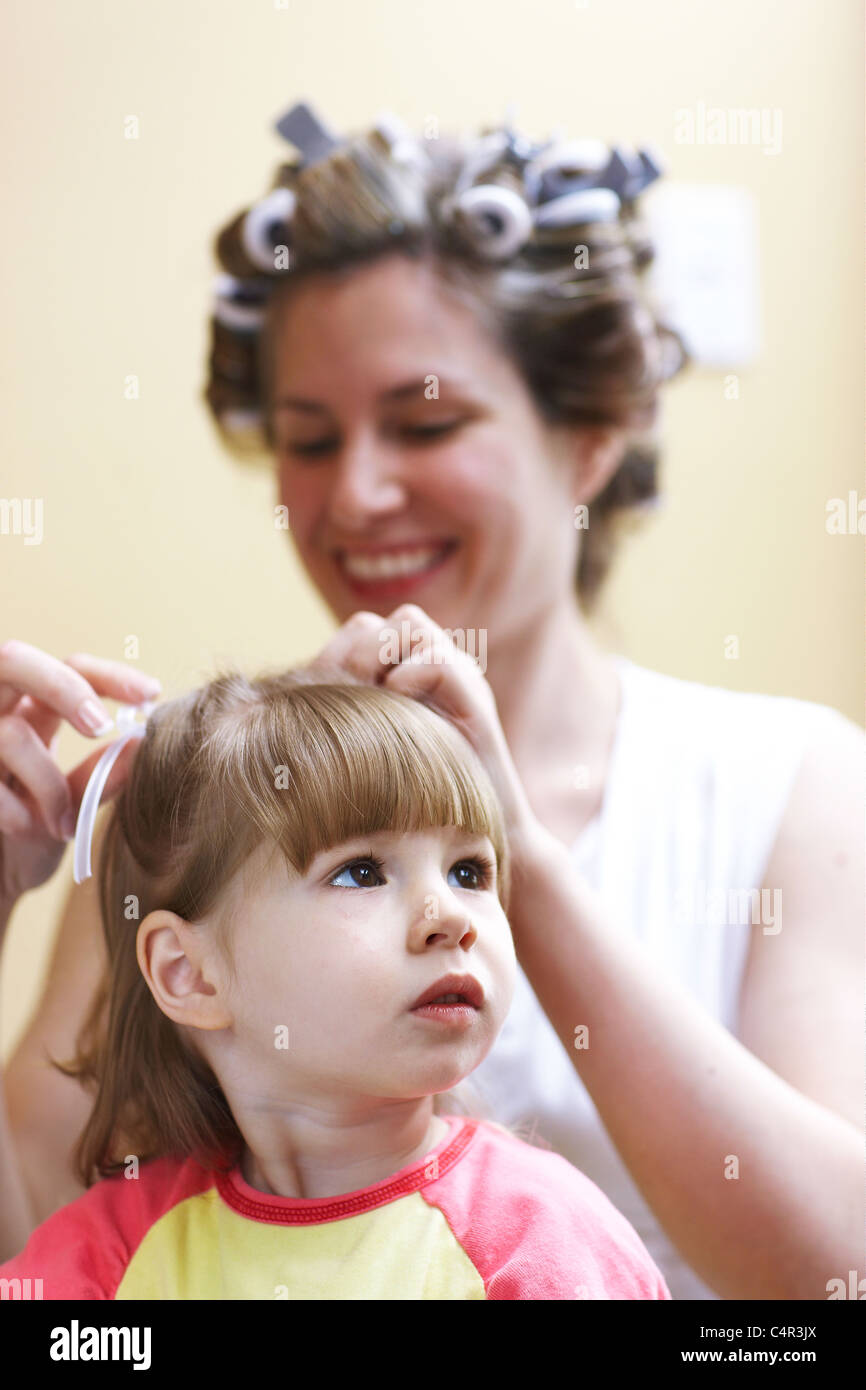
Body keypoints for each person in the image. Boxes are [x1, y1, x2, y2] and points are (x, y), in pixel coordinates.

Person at [1, 103, 862, 1300]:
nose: (353, 493)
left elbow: (835, 1279)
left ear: (592, 439)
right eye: (307, 439)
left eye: (425, 422)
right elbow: (52, 1251)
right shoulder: (188, 800)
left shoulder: (788, 783)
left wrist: (519, 852)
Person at [0, 661, 671, 1299]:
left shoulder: (543, 1243)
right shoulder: (112, 1254)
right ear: (190, 974)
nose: (450, 919)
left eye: (469, 871)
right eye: (362, 872)